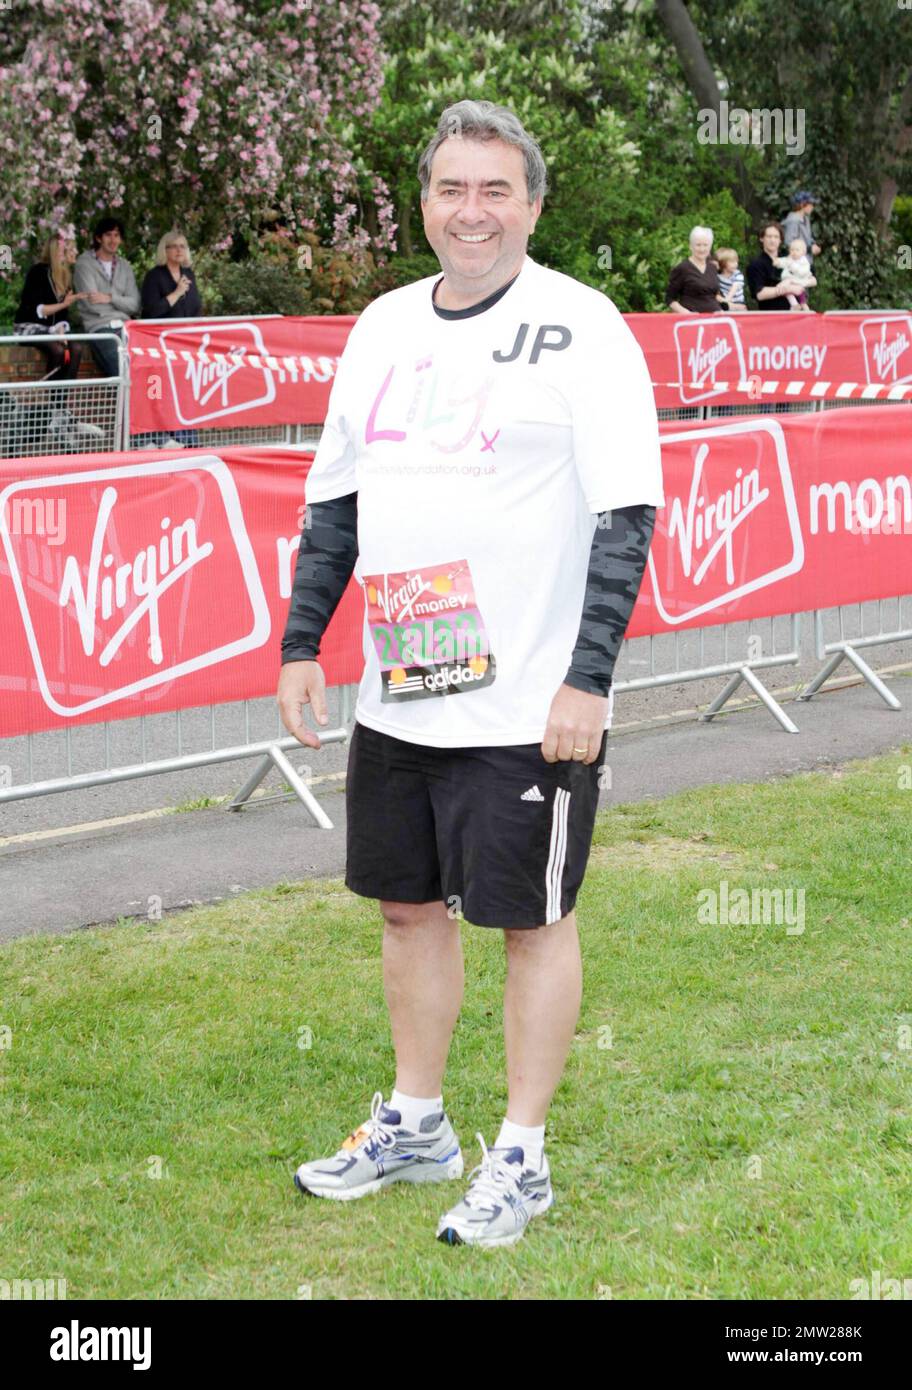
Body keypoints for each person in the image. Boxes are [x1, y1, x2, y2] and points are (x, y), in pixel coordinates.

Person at [278, 99, 664, 1249]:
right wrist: (305, 639)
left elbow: (625, 513)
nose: (473, 210)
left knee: (529, 919)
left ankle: (523, 1155)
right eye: (453, 188)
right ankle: (417, 1122)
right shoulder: (385, 325)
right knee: (407, 910)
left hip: (535, 694)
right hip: (411, 676)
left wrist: (588, 680)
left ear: (534, 206)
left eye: (497, 190)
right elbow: (337, 495)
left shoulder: (583, 326)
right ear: (426, 203)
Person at [13, 229, 103, 447]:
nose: (75, 253)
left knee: (77, 349)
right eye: (71, 249)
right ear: (59, 251)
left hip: (51, 331)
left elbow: (60, 317)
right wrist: (64, 305)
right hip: (29, 326)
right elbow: (39, 310)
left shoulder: (65, 277)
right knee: (57, 351)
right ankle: (57, 413)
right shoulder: (38, 272)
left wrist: (61, 329)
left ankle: (60, 412)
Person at [137, 230, 202, 448]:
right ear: (164, 250)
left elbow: (195, 307)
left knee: (184, 392)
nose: (179, 250)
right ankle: (162, 438)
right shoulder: (155, 276)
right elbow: (151, 311)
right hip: (159, 343)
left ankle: (187, 439)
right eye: (174, 246)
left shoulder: (188, 275)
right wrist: (175, 293)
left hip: (184, 343)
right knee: (163, 392)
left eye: (182, 246)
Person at [73, 217, 141, 377]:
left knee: (147, 365)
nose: (113, 240)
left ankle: (135, 402)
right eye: (108, 235)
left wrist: (110, 298)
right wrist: (122, 303)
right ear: (98, 238)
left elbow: (136, 304)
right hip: (101, 328)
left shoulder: (124, 265)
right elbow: (93, 304)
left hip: (127, 327)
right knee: (123, 371)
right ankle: (128, 402)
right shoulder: (84, 264)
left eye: (117, 235)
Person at [746, 223, 807, 310]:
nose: (772, 240)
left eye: (776, 237)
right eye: (769, 236)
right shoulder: (755, 265)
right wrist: (787, 289)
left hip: (797, 314)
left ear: (780, 240)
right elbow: (759, 294)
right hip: (773, 316)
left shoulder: (789, 260)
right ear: (761, 238)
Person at [665, 226, 723, 313]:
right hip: (691, 322)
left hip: (714, 320)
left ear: (710, 246)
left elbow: (715, 295)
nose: (702, 249)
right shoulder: (682, 268)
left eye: (705, 245)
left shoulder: (713, 267)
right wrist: (686, 313)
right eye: (698, 245)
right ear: (690, 246)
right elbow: (669, 299)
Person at [773, 237, 816, 310]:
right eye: (792, 250)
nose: (794, 252)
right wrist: (778, 262)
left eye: (797, 250)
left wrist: (793, 266)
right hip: (790, 282)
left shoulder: (804, 261)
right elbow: (784, 262)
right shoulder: (790, 259)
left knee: (800, 296)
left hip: (798, 281)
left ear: (803, 252)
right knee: (787, 292)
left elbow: (803, 272)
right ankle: (794, 304)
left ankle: (804, 307)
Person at [782, 191, 821, 270]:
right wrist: (809, 249)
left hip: (806, 262)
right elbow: (788, 242)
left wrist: (813, 245)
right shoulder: (793, 220)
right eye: (811, 204)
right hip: (796, 265)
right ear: (802, 205)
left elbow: (807, 238)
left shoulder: (806, 219)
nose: (812, 207)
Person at [714, 247, 747, 312]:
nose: (736, 264)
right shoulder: (718, 277)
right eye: (732, 262)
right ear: (723, 263)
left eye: (736, 261)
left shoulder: (737, 274)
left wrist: (726, 301)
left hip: (738, 302)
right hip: (726, 304)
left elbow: (734, 288)